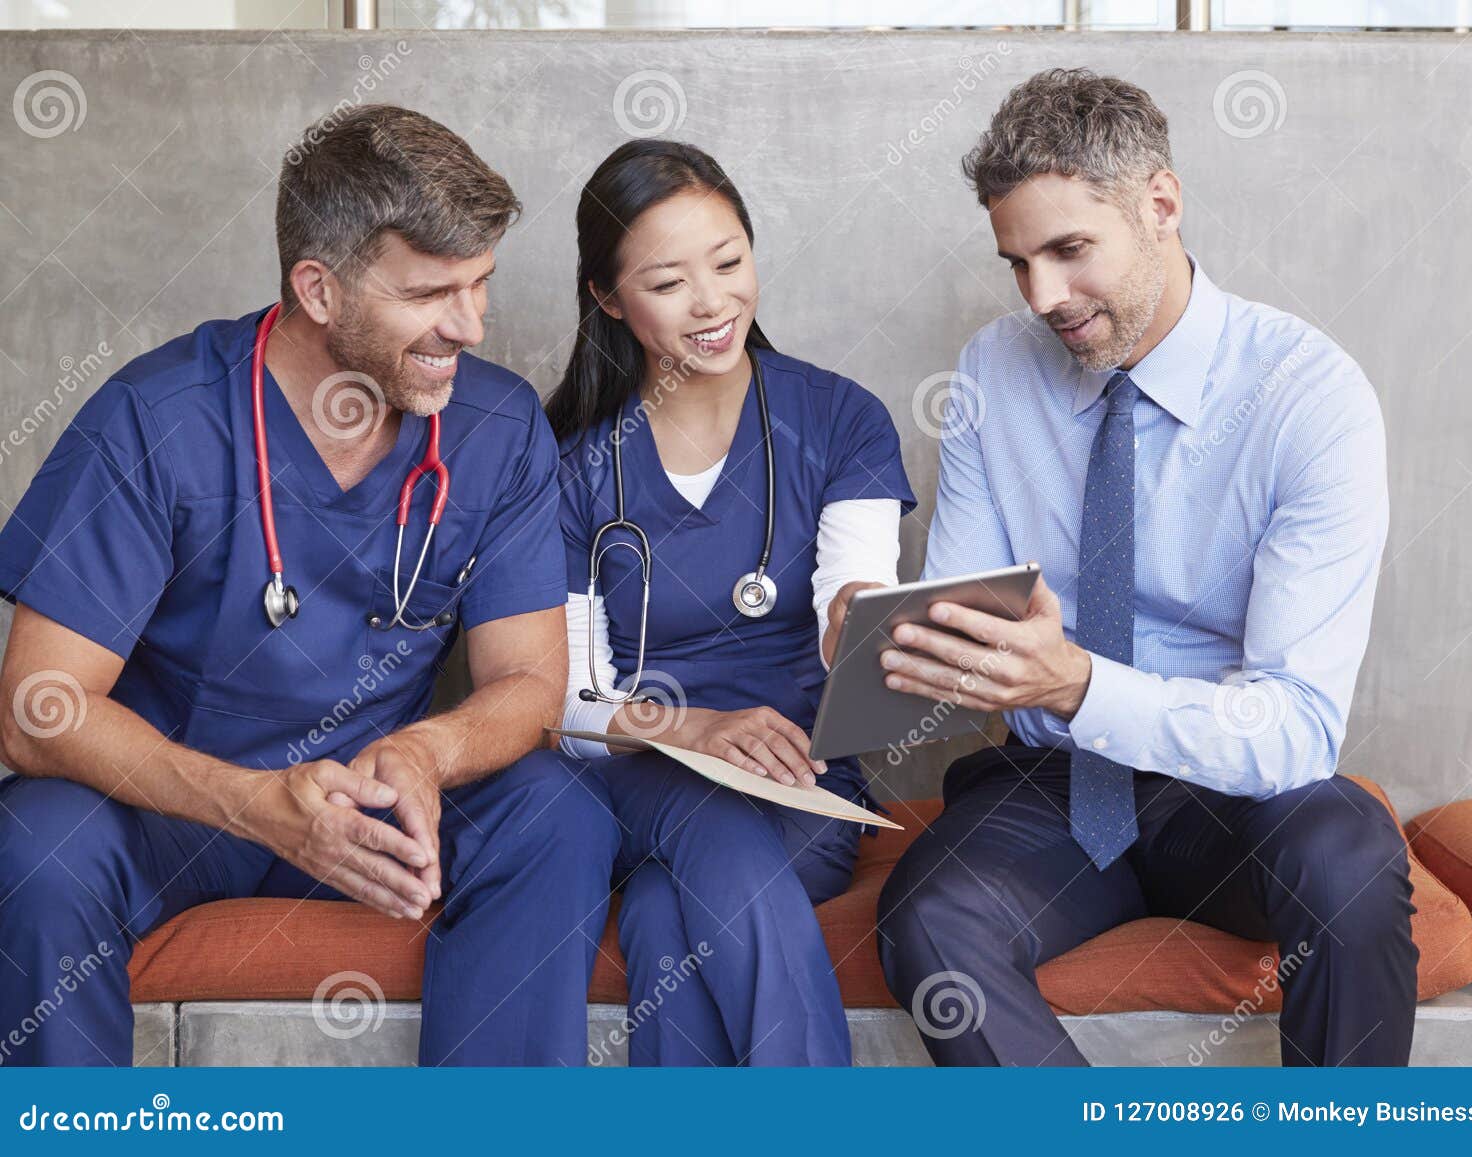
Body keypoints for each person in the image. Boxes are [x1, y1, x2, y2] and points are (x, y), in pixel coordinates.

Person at [0, 106, 618, 1066]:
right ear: (318, 289)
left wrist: (424, 752)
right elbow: (36, 709)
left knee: (555, 809)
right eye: (431, 293)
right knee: (31, 844)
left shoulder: (496, 429)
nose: (471, 323)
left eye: (481, 284)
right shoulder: (158, 420)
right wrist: (253, 803)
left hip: (380, 809)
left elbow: (531, 686)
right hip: (173, 811)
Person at [873, 69, 1418, 1067]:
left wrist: (1078, 681)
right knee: (930, 918)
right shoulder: (994, 371)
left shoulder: (1308, 398)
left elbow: (1294, 726)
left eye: (1070, 251)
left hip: (1238, 791)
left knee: (1347, 853)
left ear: (1160, 205)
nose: (1043, 297)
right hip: (1055, 785)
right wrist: (900, 647)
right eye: (1018, 262)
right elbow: (965, 616)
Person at [548, 139, 916, 1066]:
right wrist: (695, 728)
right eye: (669, 282)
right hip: (634, 770)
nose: (714, 304)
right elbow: (563, 701)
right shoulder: (569, 461)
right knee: (706, 828)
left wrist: (866, 622)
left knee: (670, 917)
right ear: (606, 295)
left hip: (797, 780)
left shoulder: (838, 419)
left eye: (730, 262)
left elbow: (853, 592)